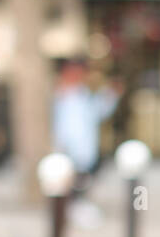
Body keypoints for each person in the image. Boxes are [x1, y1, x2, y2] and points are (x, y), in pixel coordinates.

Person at [51, 56, 122, 228]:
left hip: (85, 148)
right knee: (71, 182)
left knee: (83, 180)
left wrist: (111, 96)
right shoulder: (59, 94)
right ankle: (70, 211)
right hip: (68, 148)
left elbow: (96, 113)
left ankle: (76, 209)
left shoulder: (83, 93)